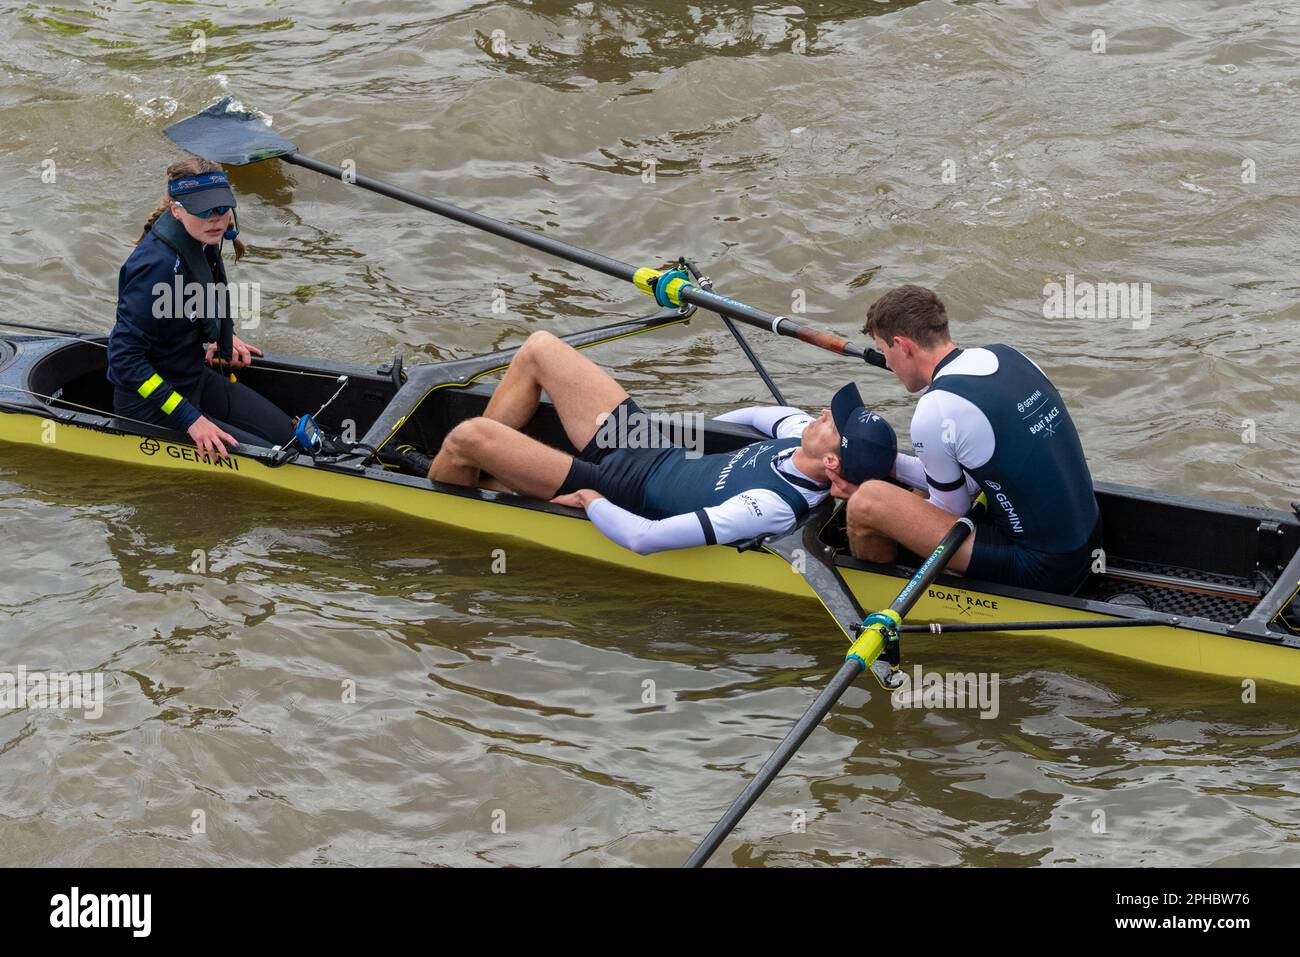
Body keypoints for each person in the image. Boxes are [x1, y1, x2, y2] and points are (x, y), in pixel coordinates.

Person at [422, 330, 897, 555]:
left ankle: (451, 495)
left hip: (613, 488)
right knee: (540, 349)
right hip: (651, 445)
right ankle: (485, 479)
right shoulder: (798, 434)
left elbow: (643, 539)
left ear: (832, 460)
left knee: (468, 436)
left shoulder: (768, 505)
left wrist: (590, 500)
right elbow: (752, 415)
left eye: (835, 423)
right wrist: (688, 434)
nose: (824, 413)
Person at [831, 284, 1101, 594]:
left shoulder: (937, 407)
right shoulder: (1008, 355)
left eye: (884, 352)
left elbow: (951, 513)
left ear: (902, 346)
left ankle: (873, 595)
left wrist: (862, 494)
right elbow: (975, 475)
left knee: (869, 502)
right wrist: (888, 465)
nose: (888, 365)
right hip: (1090, 536)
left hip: (1041, 570)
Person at [107, 155, 293, 460]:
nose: (216, 219)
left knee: (287, 437)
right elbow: (124, 359)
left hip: (192, 376)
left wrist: (220, 336)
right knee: (275, 456)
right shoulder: (155, 267)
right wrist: (190, 419)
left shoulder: (201, 240)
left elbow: (195, 301)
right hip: (151, 407)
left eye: (222, 208)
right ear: (176, 210)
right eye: (204, 210)